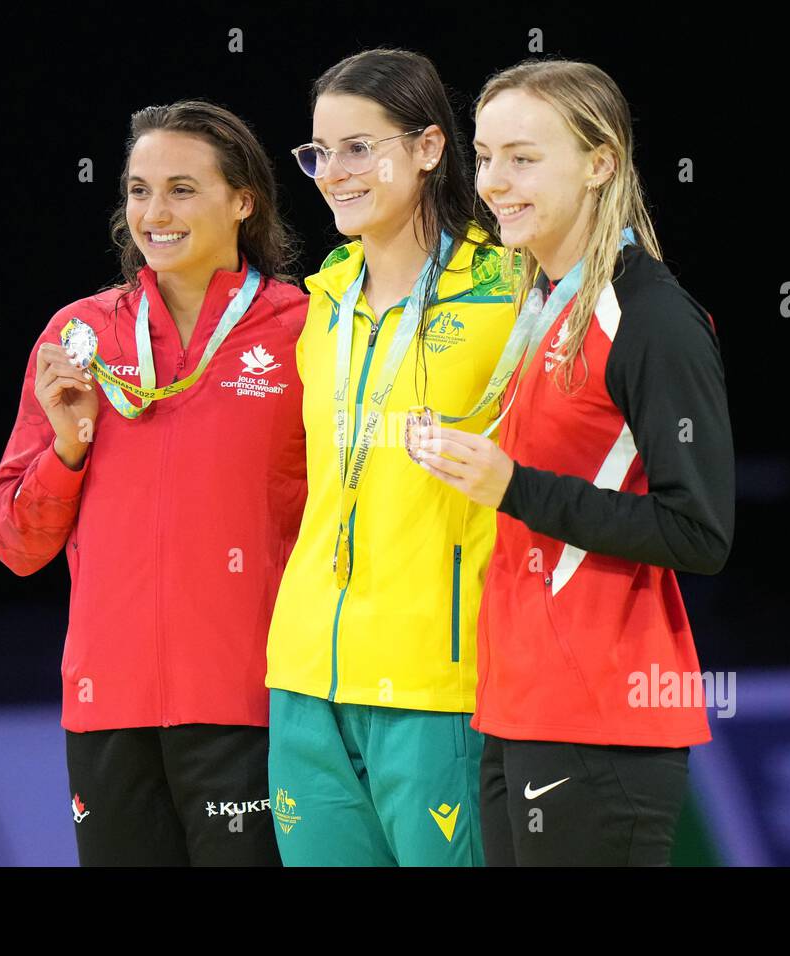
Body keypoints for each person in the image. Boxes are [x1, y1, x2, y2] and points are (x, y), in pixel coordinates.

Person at [416, 59, 735, 865]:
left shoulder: (654, 320)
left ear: (601, 164)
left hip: (601, 713)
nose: (493, 181)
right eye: (485, 157)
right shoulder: (545, 303)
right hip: (516, 705)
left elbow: (700, 531)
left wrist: (514, 487)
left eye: (523, 158)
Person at [0, 101, 308, 866]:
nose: (153, 213)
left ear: (243, 200)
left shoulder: (308, 330)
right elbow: (15, 545)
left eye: (182, 189)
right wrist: (67, 449)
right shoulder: (78, 336)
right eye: (137, 190)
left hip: (257, 702)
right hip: (107, 709)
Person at [265, 49, 518, 866]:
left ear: (430, 148)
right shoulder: (322, 302)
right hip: (306, 677)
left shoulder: (510, 291)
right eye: (318, 152)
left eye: (359, 147)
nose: (333, 172)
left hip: (438, 682)